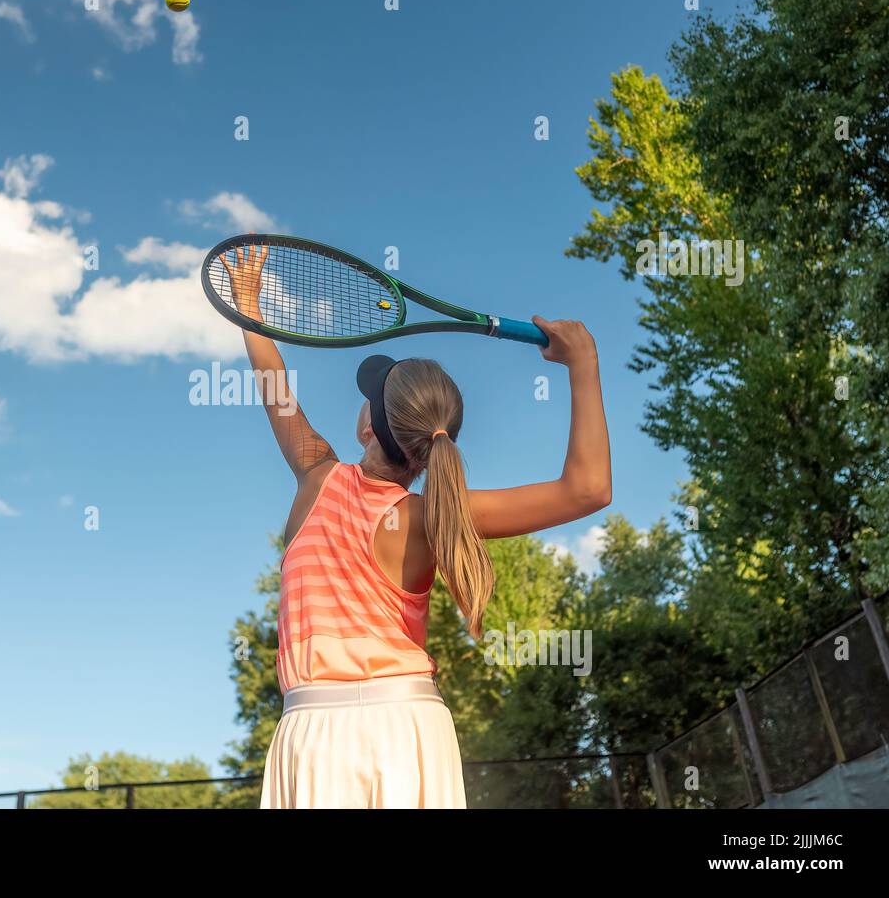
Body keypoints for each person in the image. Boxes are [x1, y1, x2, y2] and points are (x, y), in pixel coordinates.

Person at [216, 242, 612, 809]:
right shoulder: (437, 515)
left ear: (369, 427)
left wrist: (248, 307)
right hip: (411, 727)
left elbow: (274, 388)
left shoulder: (316, 476)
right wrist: (584, 363)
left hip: (313, 728)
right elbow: (589, 488)